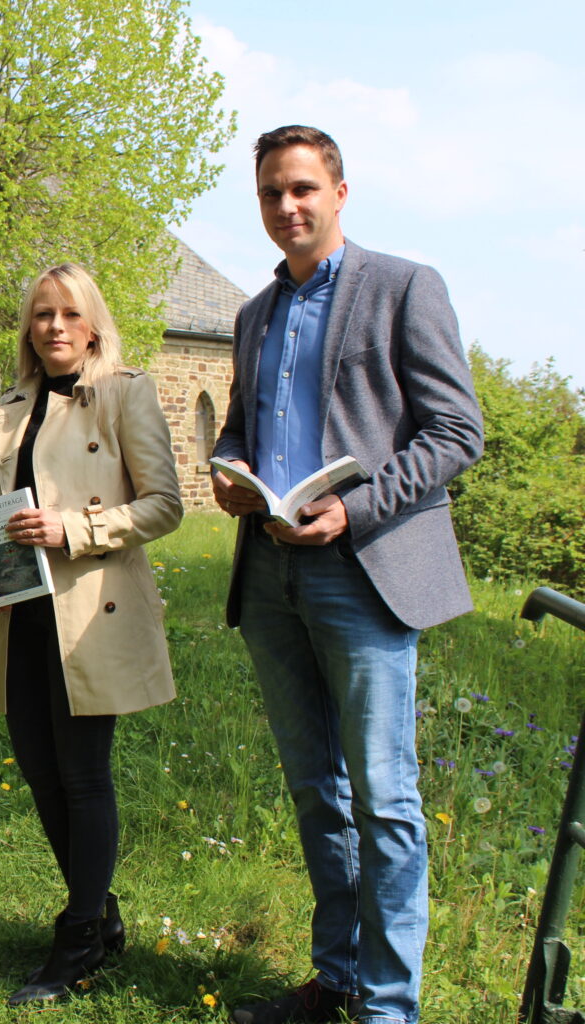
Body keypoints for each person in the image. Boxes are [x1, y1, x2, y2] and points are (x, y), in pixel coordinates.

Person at [212, 126, 483, 1024]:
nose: (286, 208)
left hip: (363, 574)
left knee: (385, 797)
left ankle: (388, 1006)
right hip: (269, 581)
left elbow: (456, 434)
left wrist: (354, 509)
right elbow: (242, 429)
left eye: (301, 189)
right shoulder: (254, 314)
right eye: (269, 195)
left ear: (338, 191)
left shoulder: (406, 287)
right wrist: (228, 468)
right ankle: (336, 980)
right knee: (313, 790)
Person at [0, 263, 182, 1005]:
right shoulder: (14, 403)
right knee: (38, 768)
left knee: (84, 775)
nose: (54, 326)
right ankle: (101, 914)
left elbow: (164, 505)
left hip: (93, 608)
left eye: (68, 314)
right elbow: (4, 509)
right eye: (40, 315)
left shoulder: (125, 392)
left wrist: (74, 529)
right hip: (25, 607)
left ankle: (80, 935)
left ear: (92, 323)